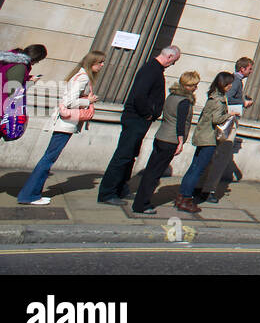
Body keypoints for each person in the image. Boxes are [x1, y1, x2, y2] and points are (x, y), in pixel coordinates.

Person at [97, 44, 180, 204]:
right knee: (123, 155)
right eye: (174, 61)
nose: (172, 64)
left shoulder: (154, 69)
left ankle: (121, 188)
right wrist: (147, 114)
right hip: (136, 119)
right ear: (169, 57)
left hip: (140, 120)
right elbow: (139, 95)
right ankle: (107, 193)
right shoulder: (151, 69)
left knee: (131, 155)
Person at [17, 51, 103, 205]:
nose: (102, 65)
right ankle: (29, 195)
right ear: (92, 63)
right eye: (100, 62)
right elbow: (69, 102)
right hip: (66, 123)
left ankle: (32, 193)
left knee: (49, 157)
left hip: (65, 122)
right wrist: (87, 101)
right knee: (48, 158)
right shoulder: (82, 78)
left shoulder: (80, 76)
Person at [132, 70, 199, 214]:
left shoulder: (172, 96)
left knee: (151, 170)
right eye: (194, 85)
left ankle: (140, 201)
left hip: (161, 136)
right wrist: (180, 142)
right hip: (171, 140)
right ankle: (142, 204)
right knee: (155, 173)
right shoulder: (184, 101)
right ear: (188, 85)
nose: (196, 88)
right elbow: (181, 124)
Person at [0, 43, 48, 170]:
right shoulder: (20, 67)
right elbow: (14, 94)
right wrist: (30, 83)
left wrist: (24, 79)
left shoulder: (4, 62)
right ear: (36, 59)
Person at [196, 56, 252, 203]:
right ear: (243, 68)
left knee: (212, 156)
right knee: (221, 157)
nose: (251, 71)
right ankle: (208, 189)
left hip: (221, 122)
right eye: (250, 68)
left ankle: (200, 186)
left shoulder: (234, 81)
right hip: (226, 123)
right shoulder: (235, 82)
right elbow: (226, 99)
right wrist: (244, 102)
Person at [176, 72, 231, 214]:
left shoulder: (212, 96)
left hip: (202, 135)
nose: (231, 86)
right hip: (209, 138)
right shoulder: (219, 101)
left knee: (194, 167)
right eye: (229, 83)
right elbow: (216, 119)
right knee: (198, 170)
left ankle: (182, 196)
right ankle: (187, 199)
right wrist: (230, 115)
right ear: (224, 84)